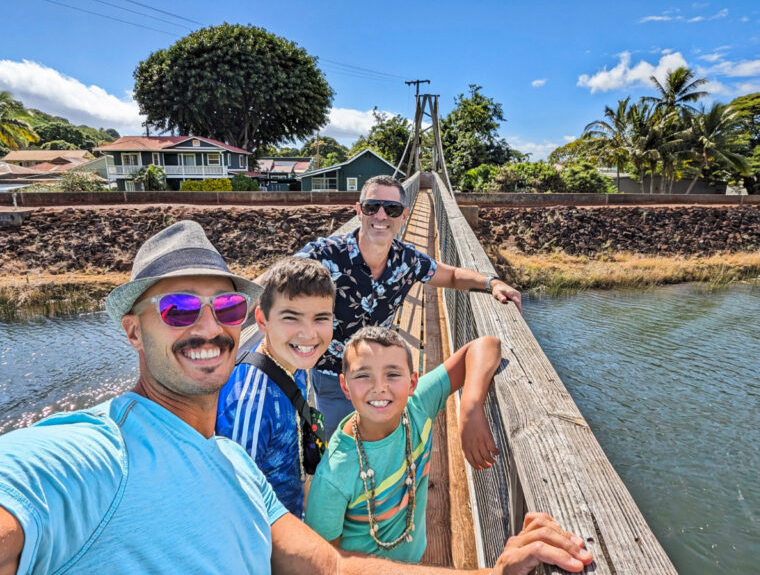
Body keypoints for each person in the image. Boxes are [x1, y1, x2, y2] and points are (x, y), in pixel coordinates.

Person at [0, 220, 592, 575]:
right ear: (133, 329)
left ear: (241, 320)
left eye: (223, 306)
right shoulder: (97, 454)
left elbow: (329, 566)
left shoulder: (232, 464)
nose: (208, 327)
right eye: (178, 308)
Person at [296, 174, 523, 437]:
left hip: (382, 377)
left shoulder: (408, 260)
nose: (381, 215)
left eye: (391, 209)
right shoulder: (325, 255)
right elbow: (277, 280)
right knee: (337, 450)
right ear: (359, 211)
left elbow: (450, 276)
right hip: (333, 377)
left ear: (404, 216)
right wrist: (239, 298)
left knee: (380, 448)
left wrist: (491, 282)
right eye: (372, 207)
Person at [305, 327, 502, 563]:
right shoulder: (334, 476)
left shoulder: (418, 405)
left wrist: (470, 407)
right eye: (363, 375)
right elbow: (322, 562)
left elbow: (487, 345)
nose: (379, 387)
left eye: (392, 374)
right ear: (345, 386)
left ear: (412, 382)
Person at [216, 257, 335, 517]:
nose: (308, 334)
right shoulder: (250, 405)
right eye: (291, 318)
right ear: (261, 319)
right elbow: (233, 507)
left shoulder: (293, 363)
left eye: (321, 318)